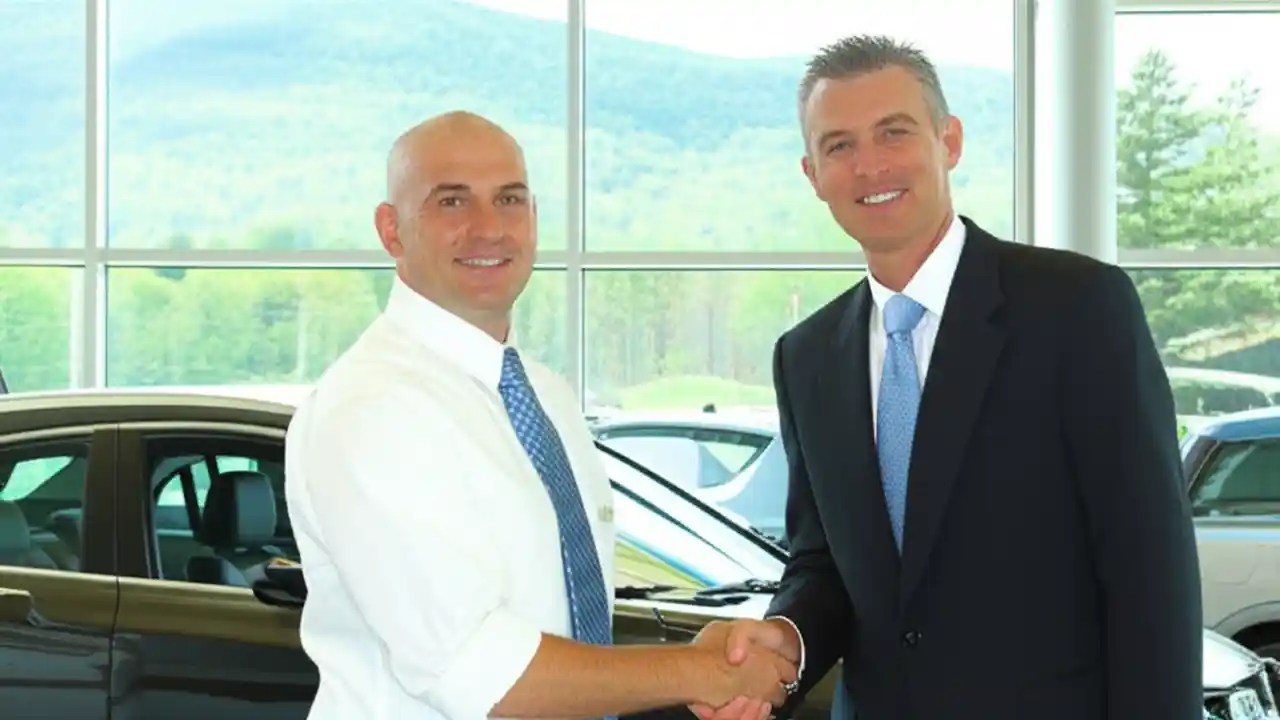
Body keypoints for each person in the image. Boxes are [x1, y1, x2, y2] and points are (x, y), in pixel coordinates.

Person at [693, 34, 1202, 720]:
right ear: (812, 174)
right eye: (839, 145)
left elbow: (1152, 573)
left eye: (892, 133)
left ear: (949, 141)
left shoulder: (1077, 310)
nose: (869, 165)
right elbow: (825, 567)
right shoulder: (806, 357)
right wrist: (784, 638)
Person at [283, 111, 797, 720]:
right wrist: (697, 672)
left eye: (510, 199)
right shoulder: (372, 410)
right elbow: (479, 673)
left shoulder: (543, 396)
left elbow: (559, 624)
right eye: (452, 202)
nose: (489, 228)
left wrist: (700, 670)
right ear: (391, 231)